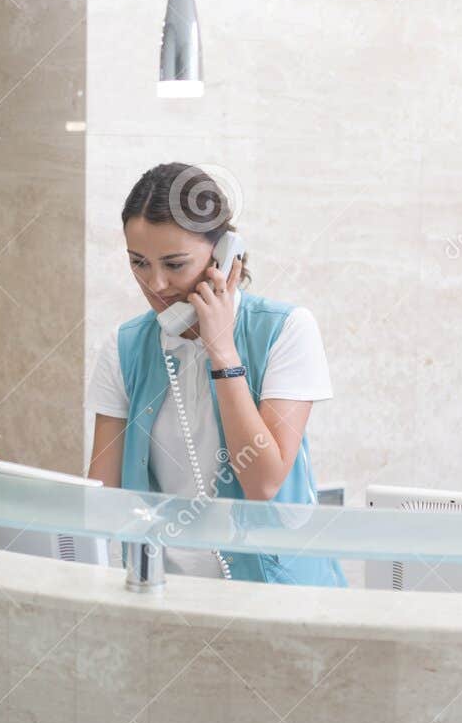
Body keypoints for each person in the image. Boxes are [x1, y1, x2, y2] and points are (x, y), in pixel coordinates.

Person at [86, 163, 344, 586]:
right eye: (139, 263)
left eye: (174, 263)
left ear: (224, 256)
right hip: (162, 590)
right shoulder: (125, 345)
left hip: (275, 596)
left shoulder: (288, 329)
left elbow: (262, 482)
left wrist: (222, 351)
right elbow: (101, 497)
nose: (156, 283)